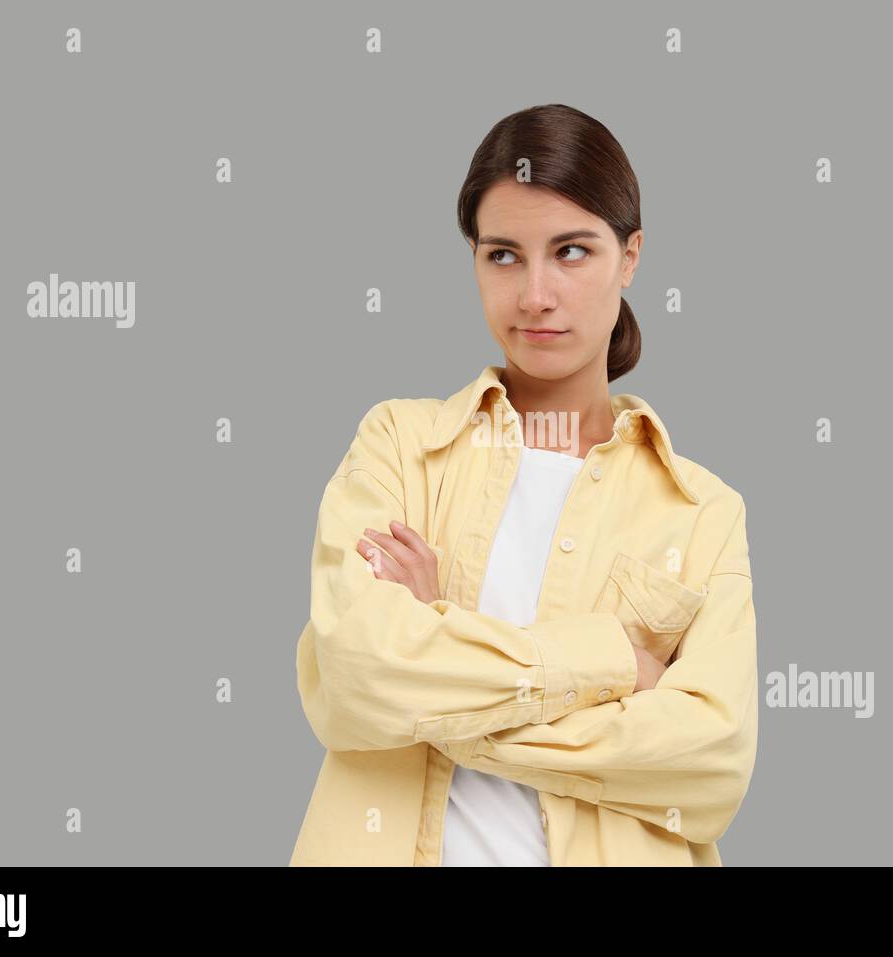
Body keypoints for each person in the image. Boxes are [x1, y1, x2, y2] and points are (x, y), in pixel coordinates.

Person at [290, 104, 757, 867]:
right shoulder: (400, 445)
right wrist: (614, 666)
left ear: (631, 256)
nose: (534, 294)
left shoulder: (702, 512)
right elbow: (354, 675)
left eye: (571, 251)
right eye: (503, 255)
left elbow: (711, 767)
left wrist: (436, 643)